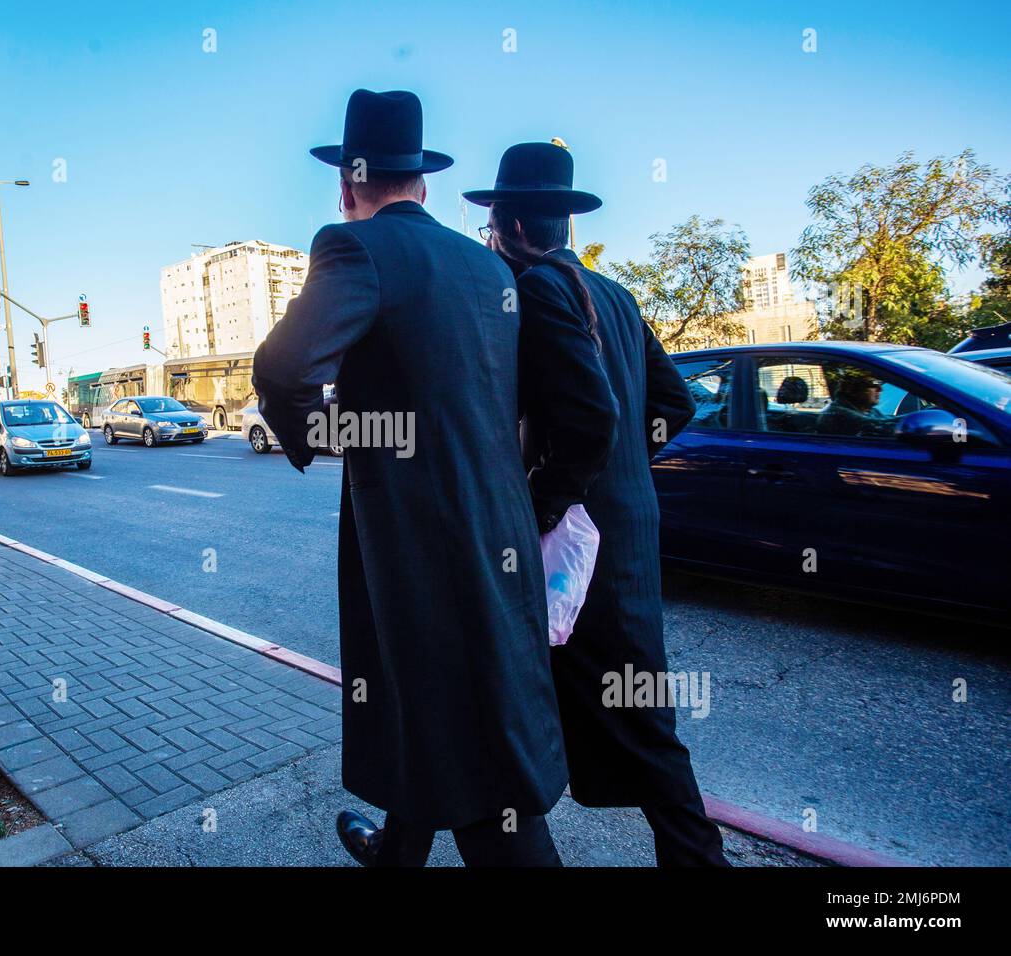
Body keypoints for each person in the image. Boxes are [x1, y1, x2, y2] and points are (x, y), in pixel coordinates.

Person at [252, 91, 568, 867]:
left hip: (425, 551)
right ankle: (396, 850)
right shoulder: (485, 265)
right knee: (443, 713)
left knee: (480, 770)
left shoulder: (354, 248)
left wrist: (326, 438)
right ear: (422, 184)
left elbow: (284, 368)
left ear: (347, 188)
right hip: (502, 532)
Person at [465, 141, 730, 866]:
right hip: (626, 533)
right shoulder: (614, 292)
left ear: (513, 230)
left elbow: (593, 418)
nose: (492, 241)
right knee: (626, 704)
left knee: (618, 713)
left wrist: (544, 504)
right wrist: (623, 480)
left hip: (581, 547)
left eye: (492, 228)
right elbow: (673, 403)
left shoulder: (544, 290)